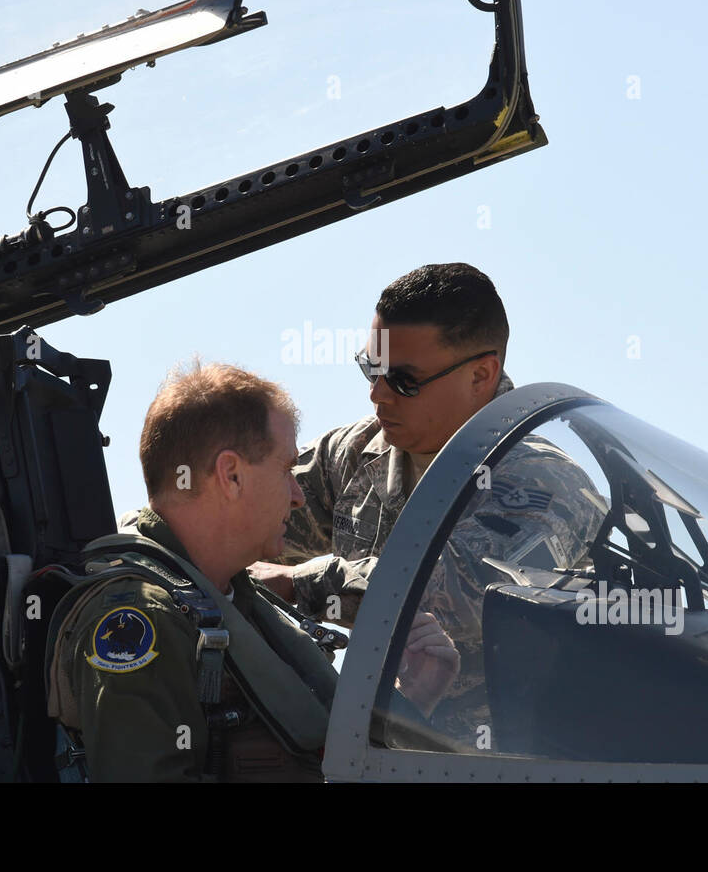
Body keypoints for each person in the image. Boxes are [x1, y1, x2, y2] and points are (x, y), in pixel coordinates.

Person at [45, 361, 459, 781]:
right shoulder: (141, 618)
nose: (298, 496)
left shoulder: (238, 602)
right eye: (286, 470)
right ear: (231, 476)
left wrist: (411, 700)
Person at [250, 263, 605, 734]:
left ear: (481, 375)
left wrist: (299, 584)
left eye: (403, 380)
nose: (378, 395)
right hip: (390, 746)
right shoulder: (355, 454)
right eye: (370, 368)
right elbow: (240, 510)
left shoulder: (542, 480)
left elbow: (454, 592)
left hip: (506, 761)